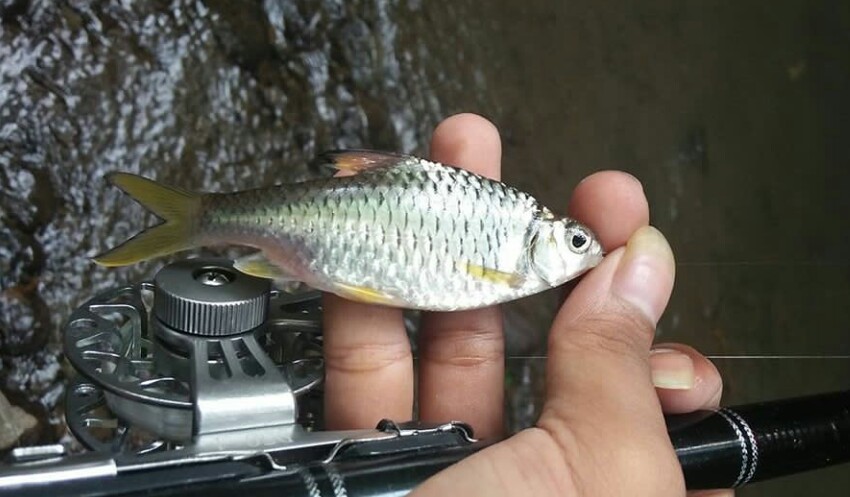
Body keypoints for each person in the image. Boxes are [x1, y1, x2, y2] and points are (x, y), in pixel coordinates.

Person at [321, 113, 729, 497]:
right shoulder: (517, 234)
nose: (589, 254)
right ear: (545, 237)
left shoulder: (514, 239)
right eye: (576, 243)